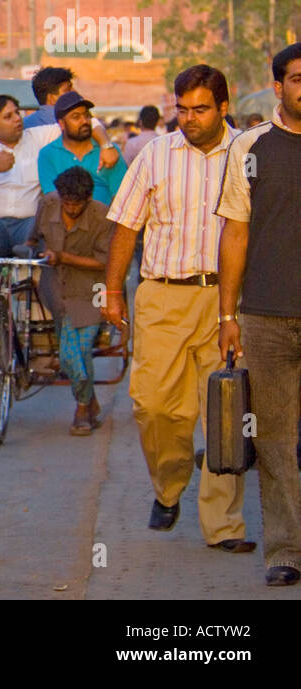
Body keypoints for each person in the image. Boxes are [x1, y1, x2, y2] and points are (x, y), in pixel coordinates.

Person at [100, 64, 253, 552]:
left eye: (200, 109)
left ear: (223, 108)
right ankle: (169, 486)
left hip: (228, 300)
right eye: (182, 109)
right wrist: (114, 291)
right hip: (162, 295)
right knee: (154, 406)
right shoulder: (156, 154)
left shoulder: (250, 153)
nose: (189, 119)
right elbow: (127, 225)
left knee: (225, 410)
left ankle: (224, 524)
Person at [217, 44, 301, 585]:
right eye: (298, 79)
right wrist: (227, 315)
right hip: (267, 316)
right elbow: (235, 233)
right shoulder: (249, 147)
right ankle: (285, 552)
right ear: (278, 86)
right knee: (274, 440)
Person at [0, 94, 118, 331]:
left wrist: (106, 145)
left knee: (55, 239)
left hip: (29, 226)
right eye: (8, 116)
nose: (17, 119)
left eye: (17, 112)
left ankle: (60, 312)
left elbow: (85, 122)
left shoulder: (38, 136)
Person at [30, 166, 113, 435]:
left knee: (80, 349)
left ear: (88, 199)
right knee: (69, 355)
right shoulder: (48, 205)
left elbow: (104, 262)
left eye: (76, 204)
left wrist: (63, 257)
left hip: (90, 291)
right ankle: (89, 402)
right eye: (66, 203)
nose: (71, 208)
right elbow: (33, 239)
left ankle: (82, 407)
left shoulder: (102, 217)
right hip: (56, 288)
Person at [37, 91, 128, 205]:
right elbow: (53, 199)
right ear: (62, 124)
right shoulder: (48, 154)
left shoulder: (109, 151)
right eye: (76, 117)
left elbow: (122, 196)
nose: (84, 121)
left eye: (86, 115)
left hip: (106, 215)